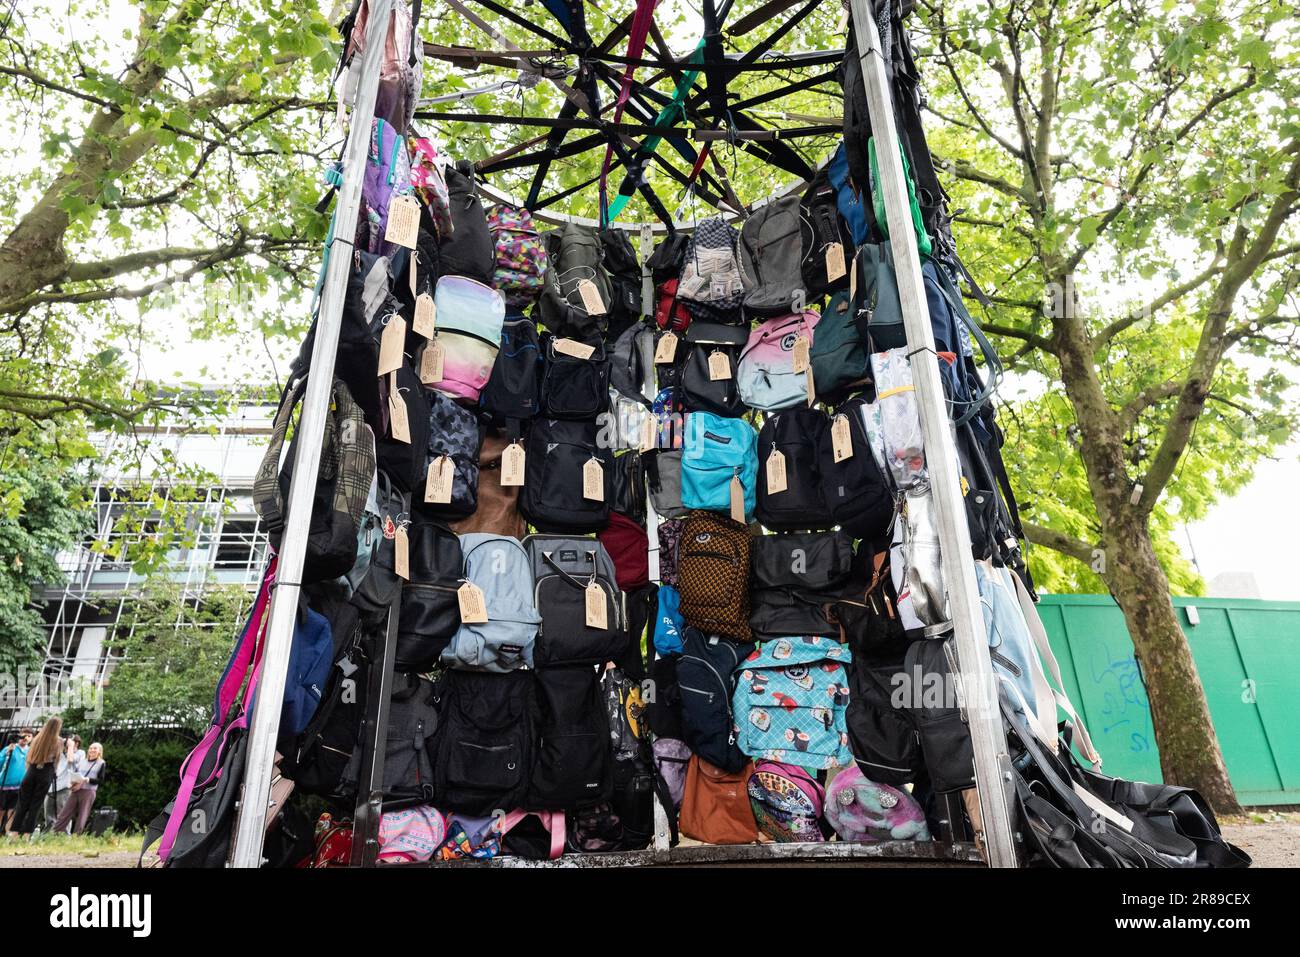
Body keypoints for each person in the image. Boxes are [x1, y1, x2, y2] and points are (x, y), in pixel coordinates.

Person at [7, 717, 62, 838]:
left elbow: (29, 757)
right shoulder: (58, 741)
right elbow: (56, 761)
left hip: (31, 771)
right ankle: (27, 835)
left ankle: (14, 833)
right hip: (46, 772)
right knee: (35, 805)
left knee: (22, 803)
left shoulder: (37, 738)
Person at [51, 742, 106, 836]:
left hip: (88, 791)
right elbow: (75, 773)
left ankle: (76, 837)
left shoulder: (101, 763)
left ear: (99, 751)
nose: (92, 750)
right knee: (65, 812)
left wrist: (87, 780)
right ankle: (54, 833)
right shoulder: (82, 761)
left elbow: (100, 780)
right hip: (76, 789)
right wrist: (72, 782)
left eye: (95, 748)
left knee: (82, 815)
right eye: (91, 748)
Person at [45, 734, 82, 829]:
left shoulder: (80, 753)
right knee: (48, 814)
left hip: (65, 787)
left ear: (76, 743)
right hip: (51, 786)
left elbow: (70, 759)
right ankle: (48, 835)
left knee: (63, 814)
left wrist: (70, 746)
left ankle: (64, 836)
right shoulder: (59, 752)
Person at [0, 731, 32, 833]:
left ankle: (9, 836)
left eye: (29, 736)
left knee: (12, 814)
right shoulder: (10, 748)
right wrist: (6, 753)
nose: (25, 738)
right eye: (23, 735)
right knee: (1, 812)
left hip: (19, 787)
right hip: (4, 785)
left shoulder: (30, 751)